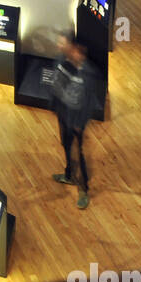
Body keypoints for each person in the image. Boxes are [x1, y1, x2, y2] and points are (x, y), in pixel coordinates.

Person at [48, 36, 102, 210]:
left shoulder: (88, 73)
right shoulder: (61, 61)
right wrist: (55, 106)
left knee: (79, 154)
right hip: (63, 114)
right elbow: (55, 84)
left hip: (76, 121)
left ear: (76, 48)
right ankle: (69, 174)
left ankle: (83, 189)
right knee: (65, 145)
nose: (59, 45)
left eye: (64, 43)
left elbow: (89, 102)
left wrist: (80, 123)